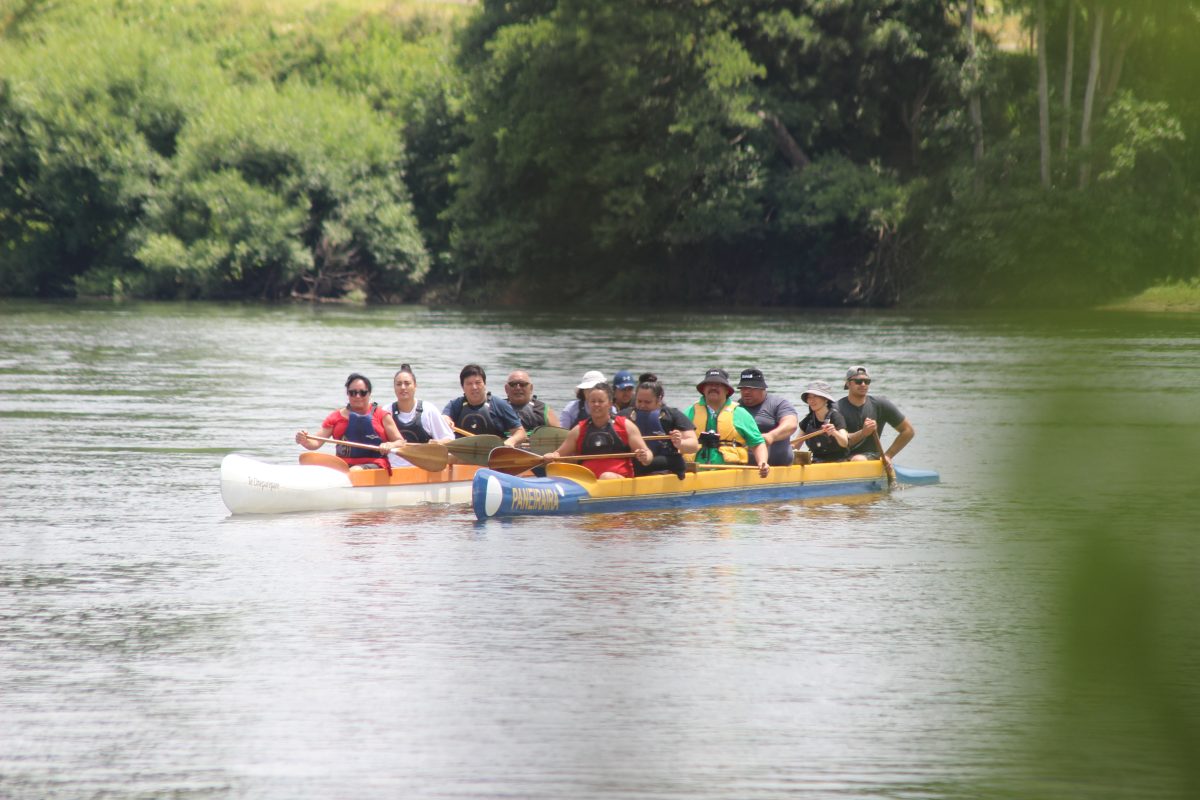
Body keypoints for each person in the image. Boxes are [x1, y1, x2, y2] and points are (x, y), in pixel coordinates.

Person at [544, 382, 652, 479]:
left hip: (618, 481)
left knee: (606, 477)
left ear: (610, 404)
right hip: (588, 483)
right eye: (593, 401)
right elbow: (559, 454)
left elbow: (648, 455)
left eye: (600, 401)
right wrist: (552, 456)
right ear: (588, 403)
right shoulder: (578, 430)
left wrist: (645, 456)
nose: (596, 405)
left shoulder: (626, 426)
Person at [295, 372, 401, 470]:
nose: (358, 396)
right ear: (348, 394)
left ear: (369, 394)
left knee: (355, 470)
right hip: (342, 465)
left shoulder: (382, 415)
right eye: (353, 393)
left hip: (375, 465)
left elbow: (400, 442)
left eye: (362, 393)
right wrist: (304, 440)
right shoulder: (335, 418)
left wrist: (390, 445)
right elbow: (316, 443)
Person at [684, 368, 770, 477]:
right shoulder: (690, 412)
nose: (713, 387)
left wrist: (763, 463)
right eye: (709, 384)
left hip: (729, 473)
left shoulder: (740, 413)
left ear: (726, 390)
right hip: (695, 472)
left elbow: (757, 443)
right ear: (703, 389)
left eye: (718, 385)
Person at [618, 373, 699, 478]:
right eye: (639, 401)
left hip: (667, 462)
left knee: (677, 462)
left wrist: (680, 443)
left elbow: (694, 445)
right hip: (637, 463)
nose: (642, 405)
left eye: (647, 402)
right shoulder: (624, 416)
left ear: (659, 399)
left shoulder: (672, 415)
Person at [836, 365, 915, 469]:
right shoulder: (836, 408)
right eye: (858, 381)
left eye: (867, 381)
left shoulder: (881, 405)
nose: (863, 384)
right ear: (847, 383)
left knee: (858, 459)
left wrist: (888, 456)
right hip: (841, 457)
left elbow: (908, 431)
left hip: (869, 457)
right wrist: (863, 432)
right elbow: (842, 441)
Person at [378, 364, 455, 468]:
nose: (403, 387)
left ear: (415, 386)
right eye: (399, 384)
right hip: (392, 469)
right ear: (394, 387)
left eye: (407, 383)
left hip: (422, 469)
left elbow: (449, 440)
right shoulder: (385, 411)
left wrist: (438, 443)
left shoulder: (428, 410)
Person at [442, 364, 527, 448]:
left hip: (493, 454)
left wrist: (511, 441)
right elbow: (445, 417)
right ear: (462, 387)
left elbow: (521, 433)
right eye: (469, 384)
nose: (474, 387)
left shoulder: (500, 405)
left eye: (478, 383)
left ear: (484, 384)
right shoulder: (455, 405)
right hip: (462, 453)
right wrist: (446, 420)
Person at [735, 367, 799, 467]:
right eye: (743, 388)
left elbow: (791, 424)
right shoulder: (734, 408)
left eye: (751, 388)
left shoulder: (778, 404)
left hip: (778, 468)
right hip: (743, 468)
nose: (746, 392)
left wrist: (771, 436)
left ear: (762, 388)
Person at [796, 380, 849, 463]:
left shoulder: (836, 417)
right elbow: (795, 446)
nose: (811, 401)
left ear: (826, 399)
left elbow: (844, 443)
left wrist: (834, 432)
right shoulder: (807, 421)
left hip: (838, 461)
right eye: (809, 397)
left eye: (815, 397)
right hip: (815, 461)